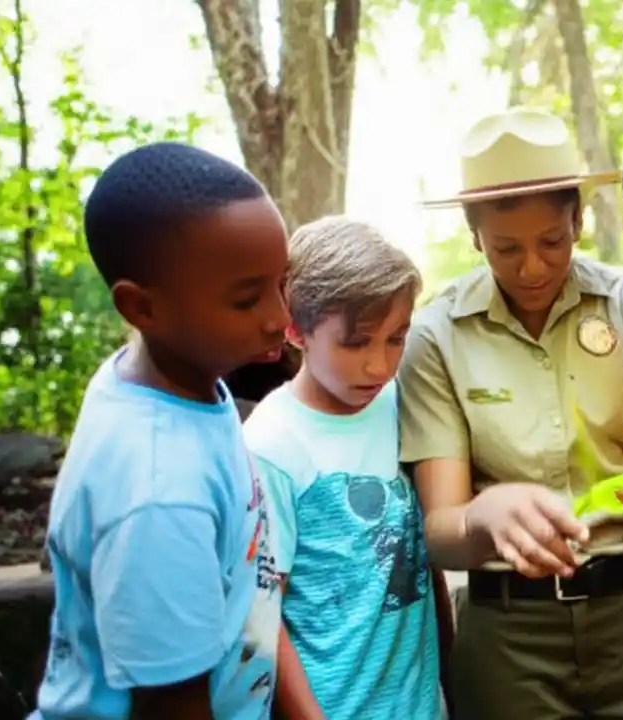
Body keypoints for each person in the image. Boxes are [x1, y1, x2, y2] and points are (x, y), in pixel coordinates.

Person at [399, 107, 623, 719]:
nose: (532, 267)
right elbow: (442, 535)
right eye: (505, 248)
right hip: (507, 632)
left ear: (579, 219)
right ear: (473, 233)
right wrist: (483, 517)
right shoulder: (436, 335)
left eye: (552, 242)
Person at [33, 143, 289, 720]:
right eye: (247, 298)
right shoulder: (157, 494)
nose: (278, 316)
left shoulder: (171, 379)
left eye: (283, 282)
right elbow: (170, 706)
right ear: (141, 308)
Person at [242, 216, 452, 720]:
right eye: (356, 343)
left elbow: (423, 558)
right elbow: (262, 611)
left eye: (396, 338)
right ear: (297, 329)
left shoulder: (403, 403)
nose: (379, 366)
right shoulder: (272, 445)